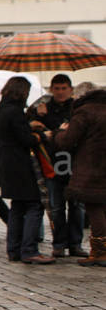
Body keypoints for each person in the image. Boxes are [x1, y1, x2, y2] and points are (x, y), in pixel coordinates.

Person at [0, 77, 52, 265]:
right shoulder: (15, 111)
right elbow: (25, 139)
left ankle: (14, 250)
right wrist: (41, 135)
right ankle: (29, 250)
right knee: (34, 205)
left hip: (7, 163)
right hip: (20, 163)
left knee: (18, 207)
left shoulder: (2, 109)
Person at [30, 74, 87, 258]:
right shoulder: (42, 108)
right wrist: (36, 118)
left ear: (70, 89)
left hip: (75, 162)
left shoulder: (79, 108)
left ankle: (75, 244)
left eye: (64, 88)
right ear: (51, 89)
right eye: (57, 88)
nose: (60, 92)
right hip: (52, 162)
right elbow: (29, 126)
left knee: (77, 206)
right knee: (56, 206)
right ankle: (59, 243)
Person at [52, 82, 106, 266]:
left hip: (92, 167)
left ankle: (100, 252)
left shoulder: (85, 112)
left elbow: (67, 141)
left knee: (94, 207)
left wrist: (58, 132)